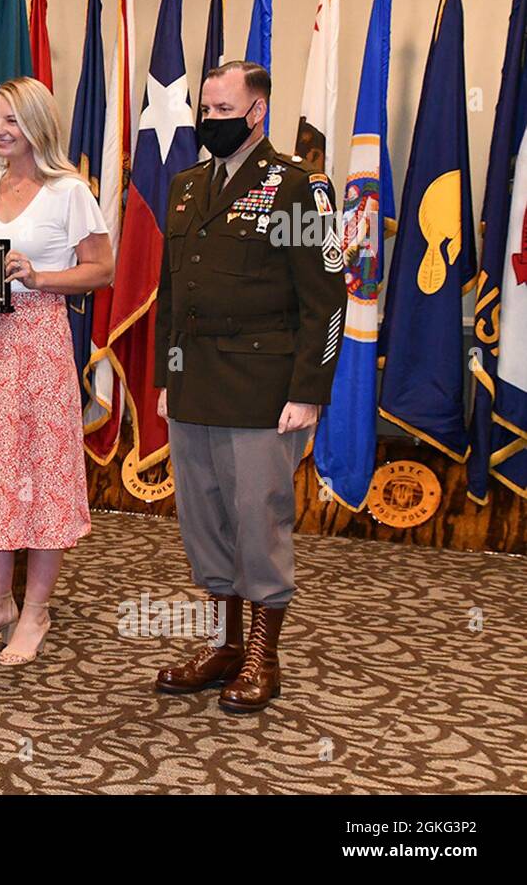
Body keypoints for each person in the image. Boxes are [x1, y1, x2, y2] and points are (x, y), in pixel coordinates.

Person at [153, 60, 346, 712]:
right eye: (205, 110)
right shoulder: (184, 187)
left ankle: (263, 655)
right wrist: (163, 379)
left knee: (257, 522)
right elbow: (171, 293)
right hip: (193, 383)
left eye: (224, 111)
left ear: (257, 111)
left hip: (265, 390)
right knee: (205, 521)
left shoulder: (295, 188)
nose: (211, 121)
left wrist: (309, 391)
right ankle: (223, 645)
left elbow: (326, 300)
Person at [0, 77, 114, 666]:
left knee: (40, 482)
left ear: (38, 124)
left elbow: (101, 270)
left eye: (11, 120)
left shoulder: (71, 192)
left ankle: (36, 612)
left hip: (40, 346)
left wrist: (39, 276)